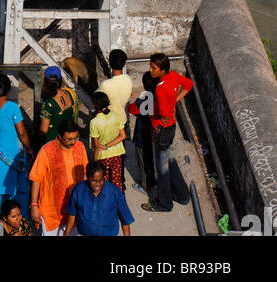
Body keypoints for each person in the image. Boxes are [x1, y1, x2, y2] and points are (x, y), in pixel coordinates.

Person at [140, 52, 194, 213]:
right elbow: (189, 85)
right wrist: (176, 101)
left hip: (161, 130)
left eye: (154, 67)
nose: (151, 70)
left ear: (163, 70)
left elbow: (163, 112)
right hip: (170, 128)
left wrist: (161, 113)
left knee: (162, 169)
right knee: (169, 161)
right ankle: (183, 195)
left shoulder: (160, 88)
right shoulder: (174, 76)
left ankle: (164, 203)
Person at [0, 72, 32, 212]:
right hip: (11, 153)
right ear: (8, 91)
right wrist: (29, 148)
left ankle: (2, 213)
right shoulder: (12, 108)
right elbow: (22, 133)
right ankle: (17, 217)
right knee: (15, 187)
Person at [29, 118, 88, 236]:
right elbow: (36, 178)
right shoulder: (47, 150)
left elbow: (85, 174)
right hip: (52, 210)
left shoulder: (80, 147)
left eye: (76, 138)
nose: (73, 142)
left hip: (76, 206)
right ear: (59, 137)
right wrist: (34, 205)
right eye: (69, 139)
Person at [64, 161, 134, 238]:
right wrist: (67, 233)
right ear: (87, 177)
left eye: (100, 181)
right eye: (93, 181)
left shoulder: (115, 192)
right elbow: (72, 214)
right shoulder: (78, 190)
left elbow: (125, 219)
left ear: (104, 177)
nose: (97, 185)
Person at [90, 89, 126, 189]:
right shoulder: (115, 115)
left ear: (94, 105)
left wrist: (95, 160)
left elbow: (97, 146)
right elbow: (123, 136)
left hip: (103, 156)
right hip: (117, 154)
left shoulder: (94, 122)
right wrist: (108, 145)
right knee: (117, 180)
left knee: (103, 182)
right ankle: (118, 200)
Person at [38, 65, 79, 142]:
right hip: (68, 140)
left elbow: (43, 131)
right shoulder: (70, 94)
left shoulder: (48, 103)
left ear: (45, 81)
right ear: (60, 81)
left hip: (54, 143)